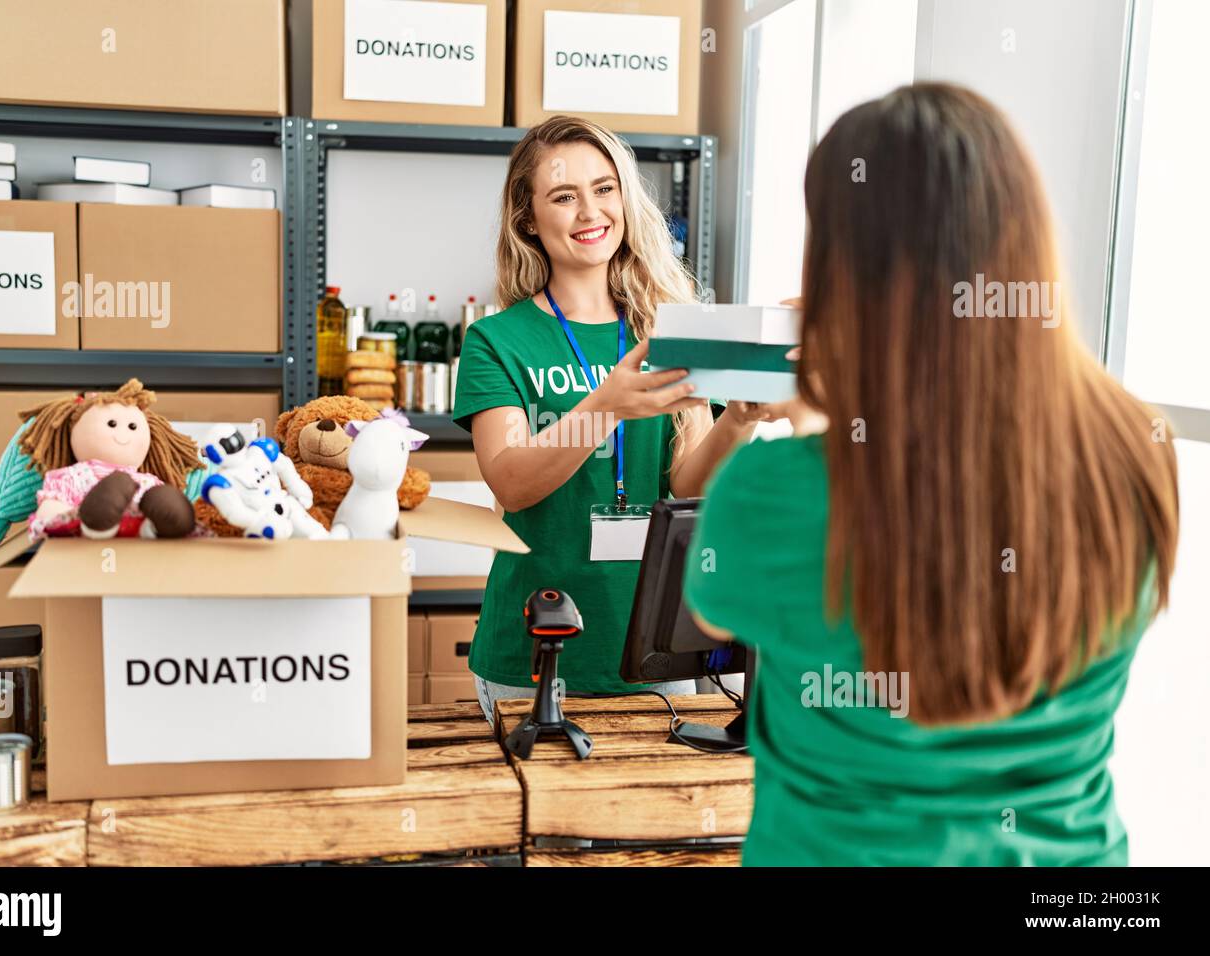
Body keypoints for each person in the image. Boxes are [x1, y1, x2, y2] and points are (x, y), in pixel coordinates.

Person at [685, 83, 1180, 866]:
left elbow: (714, 620)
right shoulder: (1135, 445)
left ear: (843, 271)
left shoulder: (771, 492)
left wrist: (822, 413)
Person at [454, 115, 782, 724]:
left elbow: (688, 486)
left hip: (659, 646)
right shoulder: (496, 340)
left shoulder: (672, 330)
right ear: (528, 217)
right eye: (563, 195)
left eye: (604, 189)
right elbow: (511, 481)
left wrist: (738, 418)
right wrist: (606, 406)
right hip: (534, 650)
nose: (589, 212)